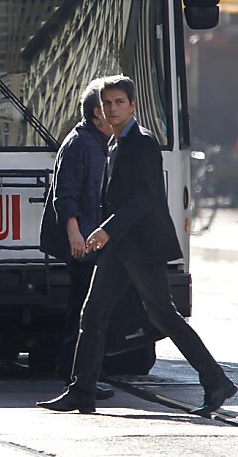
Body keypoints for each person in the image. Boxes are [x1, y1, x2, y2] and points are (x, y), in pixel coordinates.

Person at [39, 76, 237, 415]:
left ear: (133, 106)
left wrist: (106, 230)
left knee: (163, 315)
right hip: (120, 247)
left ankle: (215, 380)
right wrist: (108, 233)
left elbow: (144, 198)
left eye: (119, 102)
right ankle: (82, 391)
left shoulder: (141, 142)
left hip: (141, 246)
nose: (112, 109)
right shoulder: (115, 142)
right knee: (93, 313)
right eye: (106, 103)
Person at [38, 78, 115, 400]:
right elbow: (65, 193)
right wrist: (74, 234)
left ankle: (74, 371)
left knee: (85, 307)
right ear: (98, 112)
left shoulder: (100, 141)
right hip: (83, 242)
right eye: (110, 105)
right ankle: (77, 375)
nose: (115, 112)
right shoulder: (80, 143)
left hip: (92, 240)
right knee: (85, 309)